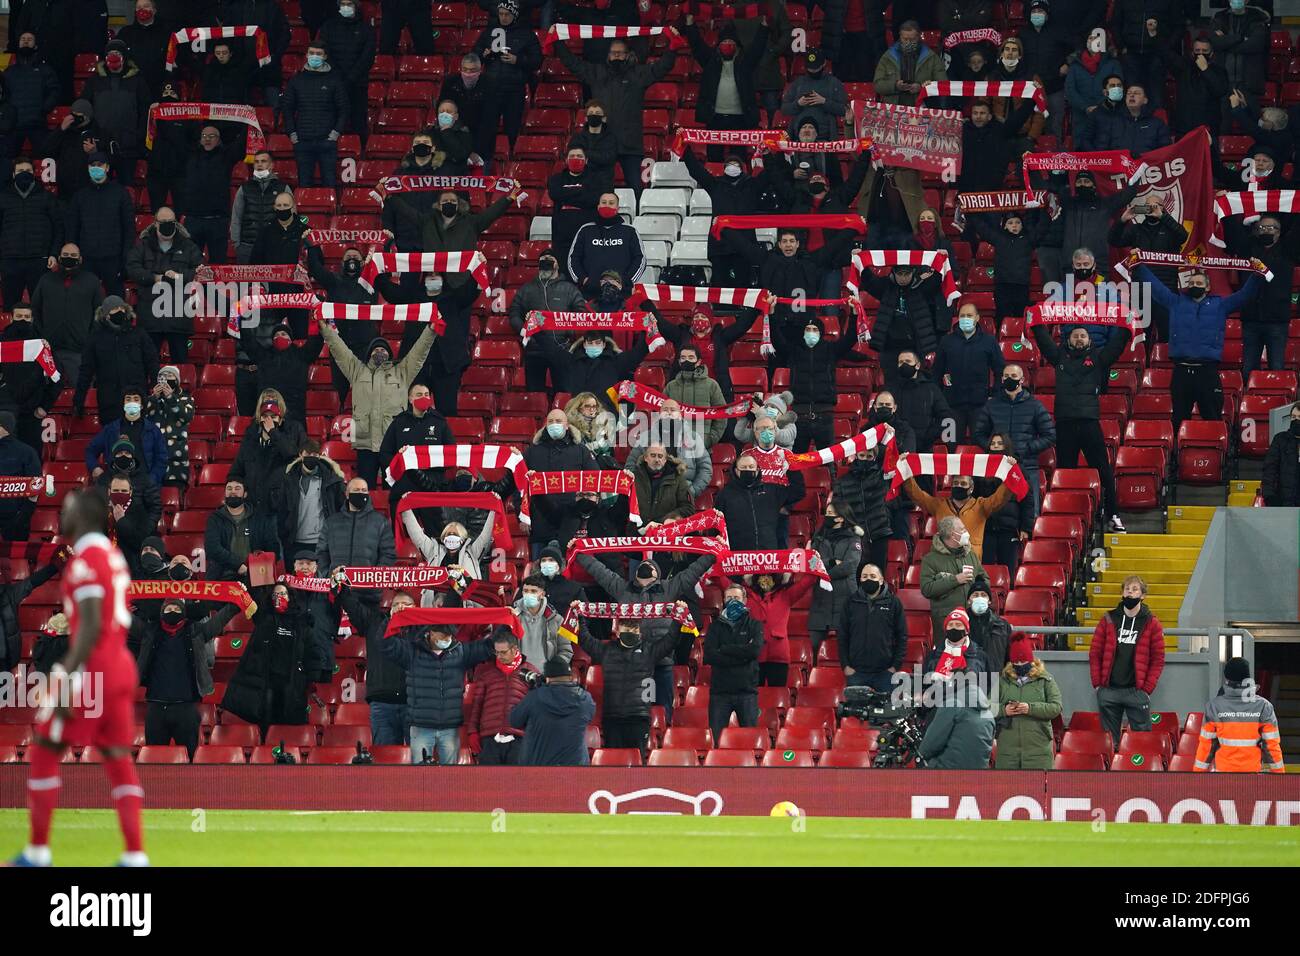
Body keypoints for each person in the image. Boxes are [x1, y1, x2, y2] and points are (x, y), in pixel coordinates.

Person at [10, 489, 148, 868]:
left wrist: (65, 678)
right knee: (118, 757)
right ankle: (135, 856)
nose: (61, 515)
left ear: (83, 515)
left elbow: (87, 626)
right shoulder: (113, 557)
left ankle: (37, 852)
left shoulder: (85, 561)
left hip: (95, 667)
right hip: (120, 664)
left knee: (45, 749)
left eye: (67, 508)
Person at [578, 552, 716, 722]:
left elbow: (692, 572)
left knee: (663, 708)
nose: (646, 566)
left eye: (650, 565)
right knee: (639, 711)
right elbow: (600, 571)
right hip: (633, 666)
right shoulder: (622, 588)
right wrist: (579, 554)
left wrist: (711, 554)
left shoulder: (668, 588)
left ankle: (662, 735)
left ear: (657, 573)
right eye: (643, 565)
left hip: (661, 662)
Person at [552, 31, 680, 197]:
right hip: (602, 145)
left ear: (628, 55)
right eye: (614, 52)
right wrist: (556, 41)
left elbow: (662, 67)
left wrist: (673, 46)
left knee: (637, 191)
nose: (617, 56)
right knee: (597, 191)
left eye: (620, 53)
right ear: (608, 55)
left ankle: (637, 222)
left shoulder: (638, 74)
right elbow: (573, 63)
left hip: (630, 146)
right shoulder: (597, 73)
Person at [1136, 265, 1261, 433]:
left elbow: (1244, 295)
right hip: (1181, 372)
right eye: (1192, 282)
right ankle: (1176, 457)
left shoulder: (1220, 305)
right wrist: (1139, 266)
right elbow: (1155, 287)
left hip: (1207, 372)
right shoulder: (1176, 302)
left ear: (1208, 287)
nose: (1195, 285)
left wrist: (1257, 274)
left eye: (1199, 282)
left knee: (1213, 418)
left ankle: (1216, 456)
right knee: (1179, 420)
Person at [1032, 323, 1131, 529]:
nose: (1079, 339)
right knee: (1065, 472)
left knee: (1103, 470)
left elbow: (1116, 346)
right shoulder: (1059, 356)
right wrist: (1037, 324)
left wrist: (1125, 326)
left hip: (1089, 423)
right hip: (1065, 424)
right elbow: (1043, 341)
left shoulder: (1098, 359)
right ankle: (1063, 516)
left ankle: (1113, 514)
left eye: (1083, 336)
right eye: (1075, 336)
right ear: (1068, 339)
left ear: (1089, 340)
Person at [321, 322, 436, 487]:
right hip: (365, 445)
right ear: (369, 354)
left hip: (393, 444)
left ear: (389, 354)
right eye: (376, 350)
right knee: (365, 491)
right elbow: (340, 351)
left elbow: (420, 352)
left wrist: (431, 330)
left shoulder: (402, 372)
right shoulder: (357, 371)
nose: (379, 352)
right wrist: (325, 329)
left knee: (394, 492)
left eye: (383, 350)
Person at [130, 595, 240, 758]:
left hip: (186, 709)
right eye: (168, 609)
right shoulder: (150, 631)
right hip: (156, 709)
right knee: (154, 761)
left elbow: (219, 621)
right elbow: (125, 619)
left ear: (184, 613)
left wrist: (237, 600)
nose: (172, 611)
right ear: (161, 613)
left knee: (190, 759)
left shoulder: (196, 630)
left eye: (176, 609)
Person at [382, 619, 495, 765]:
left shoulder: (461, 652)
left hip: (450, 728)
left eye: (449, 636)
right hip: (421, 726)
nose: (447, 640)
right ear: (431, 633)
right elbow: (385, 644)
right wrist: (391, 620)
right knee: (421, 777)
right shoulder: (412, 652)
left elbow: (489, 646)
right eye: (443, 636)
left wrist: (506, 622)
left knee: (449, 779)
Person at [576, 613, 684, 757]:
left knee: (637, 762)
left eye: (634, 631)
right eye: (626, 631)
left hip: (639, 718)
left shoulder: (649, 651)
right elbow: (585, 639)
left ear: (640, 633)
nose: (630, 634)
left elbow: (670, 640)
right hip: (612, 718)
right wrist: (580, 617)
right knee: (613, 762)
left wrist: (678, 618)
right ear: (618, 632)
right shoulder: (606, 650)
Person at [220, 582, 313, 732]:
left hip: (291, 680)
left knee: (287, 723)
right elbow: (251, 599)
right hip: (266, 680)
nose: (279, 597)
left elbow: (309, 650)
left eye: (282, 594)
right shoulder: (264, 617)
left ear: (290, 597)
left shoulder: (300, 622)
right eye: (275, 594)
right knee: (266, 720)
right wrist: (244, 587)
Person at [1089, 574, 1165, 750]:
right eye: (1127, 589)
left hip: (1136, 692)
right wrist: (1098, 685)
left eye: (1135, 590)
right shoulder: (1108, 619)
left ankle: (1141, 776)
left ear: (1143, 595)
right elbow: (1095, 653)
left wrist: (1146, 689)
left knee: (1141, 743)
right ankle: (1110, 776)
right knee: (1109, 744)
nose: (1130, 593)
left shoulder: (1151, 623)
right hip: (1109, 690)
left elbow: (1158, 658)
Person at [972, 364, 1054, 522]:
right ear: (1002, 379)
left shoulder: (1035, 405)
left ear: (1022, 380)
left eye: (1014, 377)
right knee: (994, 515)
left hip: (1027, 466)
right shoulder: (991, 405)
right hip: (995, 469)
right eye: (1006, 376)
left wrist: (1026, 449)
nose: (1009, 379)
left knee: (1031, 515)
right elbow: (979, 434)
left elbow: (1049, 435)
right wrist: (994, 449)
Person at [681, 14, 769, 159]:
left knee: (738, 159)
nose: (727, 44)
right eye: (724, 42)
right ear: (719, 45)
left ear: (736, 45)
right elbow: (697, 45)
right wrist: (690, 23)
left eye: (730, 42)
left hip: (739, 120)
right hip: (715, 118)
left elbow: (758, 48)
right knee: (714, 158)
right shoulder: (711, 61)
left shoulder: (745, 63)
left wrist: (764, 26)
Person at [333, 584, 411, 746]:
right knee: (384, 761)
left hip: (413, 704)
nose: (400, 608)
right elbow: (352, 606)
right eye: (396, 604)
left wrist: (456, 589)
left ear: (416, 608)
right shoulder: (374, 623)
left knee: (419, 761)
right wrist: (341, 585)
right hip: (382, 704)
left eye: (406, 605)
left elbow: (446, 620)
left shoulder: (423, 630)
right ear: (390, 609)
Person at [471, 0, 542, 169]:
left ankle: (514, 167)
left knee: (513, 130)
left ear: (514, 14)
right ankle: (486, 168)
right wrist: (484, 55)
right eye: (501, 14)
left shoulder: (527, 33)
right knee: (487, 130)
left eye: (507, 14)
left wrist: (518, 60)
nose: (503, 17)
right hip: (491, 88)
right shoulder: (490, 31)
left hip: (514, 89)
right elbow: (474, 54)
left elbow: (537, 60)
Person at [126, 207, 202, 361]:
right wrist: (156, 278)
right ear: (155, 223)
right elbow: (132, 269)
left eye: (171, 222)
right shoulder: (143, 245)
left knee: (180, 367)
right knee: (148, 365)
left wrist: (178, 276)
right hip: (150, 317)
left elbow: (200, 272)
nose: (167, 225)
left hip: (179, 318)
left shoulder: (188, 246)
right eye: (163, 222)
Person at [1107, 201, 1188, 344]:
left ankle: (1165, 365)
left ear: (1162, 208)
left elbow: (1183, 235)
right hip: (1141, 290)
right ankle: (1143, 365)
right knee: (1140, 337)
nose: (1150, 208)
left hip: (1166, 289)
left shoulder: (1170, 230)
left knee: (1167, 336)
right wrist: (1122, 220)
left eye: (1155, 205)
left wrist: (1163, 217)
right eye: (1147, 205)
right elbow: (1113, 241)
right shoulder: (1137, 229)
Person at [510, 251, 589, 396]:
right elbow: (514, 312)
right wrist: (524, 331)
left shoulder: (570, 289)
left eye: (549, 260)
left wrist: (569, 332)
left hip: (562, 349)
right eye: (542, 261)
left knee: (564, 393)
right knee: (534, 395)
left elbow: (581, 314)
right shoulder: (527, 289)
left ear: (557, 264)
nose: (545, 263)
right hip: (535, 350)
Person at [73, 298, 160, 427]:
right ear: (106, 314)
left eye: (122, 308)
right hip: (109, 400)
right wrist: (78, 400)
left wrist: (156, 387)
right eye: (115, 309)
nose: (120, 311)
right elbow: (86, 371)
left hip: (136, 397)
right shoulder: (95, 338)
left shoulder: (139, 334)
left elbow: (152, 362)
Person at [900, 469, 1016, 563]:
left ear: (971, 489)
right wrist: (905, 473)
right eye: (955, 483)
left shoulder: (981, 506)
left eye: (963, 484)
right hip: (944, 563)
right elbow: (918, 495)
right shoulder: (940, 505)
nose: (959, 486)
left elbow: (1000, 498)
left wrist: (1011, 474)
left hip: (970, 564)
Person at [31, 243, 103, 390]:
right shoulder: (46, 280)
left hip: (79, 350)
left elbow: (99, 313)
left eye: (73, 256)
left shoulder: (92, 281)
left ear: (80, 259)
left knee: (81, 395)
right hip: (50, 349)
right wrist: (42, 334)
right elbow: (35, 310)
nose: (69, 259)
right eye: (65, 256)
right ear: (59, 258)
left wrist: (88, 338)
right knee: (44, 392)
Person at [1194, 657, 1284, 773]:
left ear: (1226, 677)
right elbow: (1272, 746)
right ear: (1247, 677)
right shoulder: (1263, 706)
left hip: (1222, 776)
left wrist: (1196, 776)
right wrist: (1281, 777)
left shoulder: (1214, 706)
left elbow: (1206, 746)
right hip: (1251, 776)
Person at [81, 39, 151, 187]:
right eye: (110, 53)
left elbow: (146, 112)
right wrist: (89, 137)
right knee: (98, 188)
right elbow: (84, 109)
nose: (113, 57)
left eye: (117, 53)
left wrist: (137, 137)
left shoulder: (138, 81)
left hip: (128, 148)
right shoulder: (94, 81)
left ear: (124, 57)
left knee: (127, 189)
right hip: (101, 147)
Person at [465, 629, 540, 765]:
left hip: (520, 739)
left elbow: (538, 710)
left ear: (515, 649)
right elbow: (477, 706)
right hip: (489, 738)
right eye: (496, 652)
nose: (499, 656)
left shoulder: (532, 673)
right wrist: (473, 732)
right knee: (488, 784)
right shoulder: (486, 674)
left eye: (503, 652)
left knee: (517, 784)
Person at [932, 302, 1004, 442]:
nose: (965, 318)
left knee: (981, 446)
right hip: (951, 406)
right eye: (962, 315)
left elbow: (1000, 370)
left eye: (969, 315)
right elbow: (936, 372)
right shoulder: (946, 341)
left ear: (977, 318)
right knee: (950, 447)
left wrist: (994, 395)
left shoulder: (989, 341)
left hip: (980, 406)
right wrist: (940, 398)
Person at [281, 43, 348, 187]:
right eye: (312, 52)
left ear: (325, 57)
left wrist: (335, 134)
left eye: (318, 53)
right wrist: (292, 134)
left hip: (327, 142)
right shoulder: (296, 80)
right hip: (302, 141)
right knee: (304, 184)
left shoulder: (334, 80)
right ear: (306, 55)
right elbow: (287, 108)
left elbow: (343, 109)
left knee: (330, 183)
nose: (314, 56)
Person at [861, 265, 950, 373]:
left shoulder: (921, 288)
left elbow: (936, 281)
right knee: (891, 382)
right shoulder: (886, 287)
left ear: (913, 272)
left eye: (906, 274)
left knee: (916, 382)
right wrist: (861, 262)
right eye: (900, 274)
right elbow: (869, 281)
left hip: (916, 345)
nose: (903, 278)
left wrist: (941, 261)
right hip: (890, 346)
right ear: (893, 273)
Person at [66, 152, 133, 297]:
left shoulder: (120, 193)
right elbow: (73, 228)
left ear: (107, 167)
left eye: (100, 165)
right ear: (88, 168)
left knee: (115, 303)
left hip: (113, 259)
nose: (96, 168)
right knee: (84, 301)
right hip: (86, 259)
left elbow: (129, 229)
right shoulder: (80, 196)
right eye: (93, 165)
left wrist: (125, 258)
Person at [704, 582, 764, 744]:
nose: (732, 601)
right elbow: (709, 656)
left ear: (744, 600)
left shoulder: (754, 625)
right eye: (729, 597)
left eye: (736, 598)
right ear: (723, 600)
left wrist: (724, 649)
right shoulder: (715, 627)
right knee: (716, 742)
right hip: (719, 694)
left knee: (751, 742)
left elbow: (754, 651)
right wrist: (741, 653)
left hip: (747, 693)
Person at [0, 156, 62, 311]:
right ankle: (11, 336)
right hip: (10, 261)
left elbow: (59, 228)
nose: (24, 173)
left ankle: (39, 336)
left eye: (27, 170)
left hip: (39, 261)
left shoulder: (46, 197)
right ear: (13, 174)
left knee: (40, 308)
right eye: (20, 171)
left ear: (34, 173)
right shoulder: (3, 197)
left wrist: (54, 253)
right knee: (10, 308)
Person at [229, 389, 308, 510]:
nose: (268, 420)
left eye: (273, 416)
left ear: (280, 417)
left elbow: (292, 454)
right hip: (253, 504)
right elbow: (237, 470)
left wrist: (273, 432)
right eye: (265, 416)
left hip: (282, 505)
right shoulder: (251, 435)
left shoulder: (293, 430)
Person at [510, 657, 596, 766]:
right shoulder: (585, 699)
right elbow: (589, 716)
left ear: (547, 677)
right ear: (570, 676)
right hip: (576, 768)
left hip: (539, 767)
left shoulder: (535, 697)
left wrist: (533, 690)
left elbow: (514, 720)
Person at [994, 634, 1062, 769]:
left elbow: (1056, 707)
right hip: (1007, 753)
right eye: (1016, 663)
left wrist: (1030, 708)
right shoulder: (1003, 680)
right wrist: (1004, 710)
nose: (1020, 665)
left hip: (1038, 752)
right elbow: (987, 708)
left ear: (1031, 660)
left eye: (1023, 662)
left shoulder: (1045, 680)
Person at [807, 500, 863, 661]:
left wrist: (823, 571)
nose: (827, 516)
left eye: (831, 514)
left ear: (841, 518)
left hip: (845, 597)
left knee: (846, 651)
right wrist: (832, 562)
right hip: (821, 599)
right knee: (814, 649)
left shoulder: (854, 539)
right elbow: (811, 563)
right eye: (827, 513)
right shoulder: (818, 537)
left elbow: (849, 566)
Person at [838, 562, 908, 692]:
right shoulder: (850, 602)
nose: (868, 579)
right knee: (856, 712)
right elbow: (842, 635)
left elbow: (902, 636)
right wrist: (846, 666)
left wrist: (894, 667)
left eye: (872, 576)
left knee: (884, 712)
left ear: (881, 580)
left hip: (885, 673)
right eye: (864, 576)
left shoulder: (894, 603)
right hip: (856, 673)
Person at [0, 304, 60, 452]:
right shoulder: (2, 343)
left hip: (32, 412)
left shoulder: (41, 345)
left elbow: (56, 378)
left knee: (31, 455)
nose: (23, 320)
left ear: (32, 319)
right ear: (11, 318)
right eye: (19, 317)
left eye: (26, 317)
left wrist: (45, 406)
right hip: (5, 411)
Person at [272, 439, 346, 557]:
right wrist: (284, 535)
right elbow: (281, 510)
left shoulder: (333, 480)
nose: (311, 457)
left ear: (320, 456)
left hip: (323, 542)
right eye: (308, 454)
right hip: (294, 542)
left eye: (315, 455)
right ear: (301, 454)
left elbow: (341, 509)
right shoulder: (288, 480)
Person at [243, 316, 323, 423]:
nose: (280, 336)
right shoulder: (264, 356)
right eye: (276, 335)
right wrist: (242, 319)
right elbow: (249, 342)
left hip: (295, 414)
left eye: (283, 334)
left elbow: (315, 343)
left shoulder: (301, 355)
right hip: (268, 412)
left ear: (291, 339)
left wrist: (317, 319)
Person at [920, 515, 986, 641]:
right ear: (952, 534)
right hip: (947, 623)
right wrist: (955, 580)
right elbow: (927, 588)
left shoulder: (970, 555)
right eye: (962, 529)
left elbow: (984, 579)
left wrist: (978, 594)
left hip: (973, 618)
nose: (966, 531)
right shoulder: (930, 560)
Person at [566, 194, 647, 298]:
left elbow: (640, 259)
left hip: (621, 295)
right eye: (604, 203)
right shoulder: (585, 230)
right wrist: (583, 279)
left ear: (618, 208)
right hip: (590, 294)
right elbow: (573, 258)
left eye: (611, 203)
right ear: (598, 206)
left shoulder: (629, 231)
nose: (607, 206)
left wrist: (627, 280)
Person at [204, 477, 281, 581]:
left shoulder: (260, 518)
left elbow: (273, 547)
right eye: (229, 488)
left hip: (256, 576)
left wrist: (258, 563)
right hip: (222, 576)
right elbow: (212, 548)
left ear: (245, 494)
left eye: (237, 488)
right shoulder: (215, 518)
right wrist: (238, 565)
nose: (233, 492)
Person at [318, 0, 375, 139]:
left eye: (349, 4)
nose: (345, 7)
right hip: (333, 84)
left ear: (356, 6)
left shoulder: (366, 29)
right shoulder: (328, 27)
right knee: (333, 122)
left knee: (358, 123)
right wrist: (338, 78)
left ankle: (360, 151)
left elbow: (367, 57)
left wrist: (350, 79)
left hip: (358, 85)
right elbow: (325, 53)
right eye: (342, 4)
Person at [86, 387, 165, 486]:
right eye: (128, 399)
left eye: (136, 399)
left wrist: (152, 479)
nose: (132, 402)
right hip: (115, 484)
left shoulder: (153, 430)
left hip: (144, 485)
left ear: (141, 405)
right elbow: (90, 450)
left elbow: (161, 458)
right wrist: (95, 467)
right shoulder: (111, 429)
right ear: (123, 404)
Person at [831, 447, 893, 572]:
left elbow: (893, 454)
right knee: (857, 577)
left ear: (875, 457)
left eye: (869, 456)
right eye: (862, 455)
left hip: (879, 534)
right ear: (856, 455)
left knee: (878, 576)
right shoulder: (842, 481)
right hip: (855, 537)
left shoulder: (883, 476)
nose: (865, 459)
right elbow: (838, 509)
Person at [1, 34, 61, 162]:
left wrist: (43, 109)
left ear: (36, 45)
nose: (26, 42)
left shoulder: (45, 70)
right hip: (14, 125)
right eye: (23, 39)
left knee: (45, 159)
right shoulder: (9, 72)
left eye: (29, 39)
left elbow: (54, 92)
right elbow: (3, 96)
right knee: (6, 161)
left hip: (37, 124)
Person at [231, 151, 293, 265]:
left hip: (275, 246)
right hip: (247, 247)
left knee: (272, 283)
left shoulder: (283, 188)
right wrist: (237, 245)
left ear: (271, 165)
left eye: (263, 161)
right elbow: (236, 217)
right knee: (247, 283)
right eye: (256, 162)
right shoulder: (244, 188)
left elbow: (291, 218)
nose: (259, 165)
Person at [887, 350, 953, 452]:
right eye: (901, 362)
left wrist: (930, 436)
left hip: (924, 448)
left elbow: (946, 417)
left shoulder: (931, 389)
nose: (904, 365)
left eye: (908, 361)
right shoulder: (890, 389)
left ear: (917, 365)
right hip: (895, 447)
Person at [715, 455, 784, 550]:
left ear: (757, 470)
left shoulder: (770, 491)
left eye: (751, 467)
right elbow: (716, 526)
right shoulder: (724, 494)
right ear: (736, 470)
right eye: (743, 467)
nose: (748, 470)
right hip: (737, 555)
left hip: (768, 554)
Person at [1209, 0, 1269, 106]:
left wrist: (1226, 42)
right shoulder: (1219, 17)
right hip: (1223, 83)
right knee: (1224, 120)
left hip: (1249, 83)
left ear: (1246, 1)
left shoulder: (1257, 18)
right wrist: (1241, 38)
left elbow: (1255, 45)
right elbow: (1216, 43)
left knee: (1248, 120)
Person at [1065, 28, 1122, 137]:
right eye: (1090, 38)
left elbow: (1117, 88)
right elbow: (1070, 90)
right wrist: (1085, 107)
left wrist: (1100, 107)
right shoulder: (1075, 65)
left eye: (1097, 38)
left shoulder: (1113, 64)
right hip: (1081, 117)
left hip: (1108, 115)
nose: (1093, 41)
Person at [513, 573, 573, 670]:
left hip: (546, 677)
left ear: (542, 594)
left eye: (533, 591)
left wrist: (554, 671)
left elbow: (566, 650)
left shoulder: (557, 620)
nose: (528, 594)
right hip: (518, 676)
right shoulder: (513, 617)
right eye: (525, 591)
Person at [0, 410, 41, 541]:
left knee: (15, 558)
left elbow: (35, 488)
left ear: (4, 428)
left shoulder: (27, 452)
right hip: (17, 520)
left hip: (16, 522)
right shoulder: (29, 452)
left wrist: (22, 518)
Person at [631, 444, 695, 526]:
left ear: (665, 460)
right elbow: (623, 507)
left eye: (660, 456)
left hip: (665, 530)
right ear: (645, 458)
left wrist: (667, 519)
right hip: (638, 532)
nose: (657, 459)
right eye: (653, 455)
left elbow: (688, 508)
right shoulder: (634, 477)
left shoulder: (677, 478)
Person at [966, 577, 1011, 677]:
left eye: (983, 595)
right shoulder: (959, 624)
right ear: (969, 600)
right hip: (967, 680)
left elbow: (1009, 657)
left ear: (989, 601)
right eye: (975, 595)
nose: (979, 598)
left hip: (994, 679)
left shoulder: (1002, 625)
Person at [1261, 404, 1300, 507]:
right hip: (1284, 503)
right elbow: (1270, 469)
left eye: (1299, 417)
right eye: (1293, 417)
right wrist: (1269, 496)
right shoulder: (1280, 439)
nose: (1296, 420)